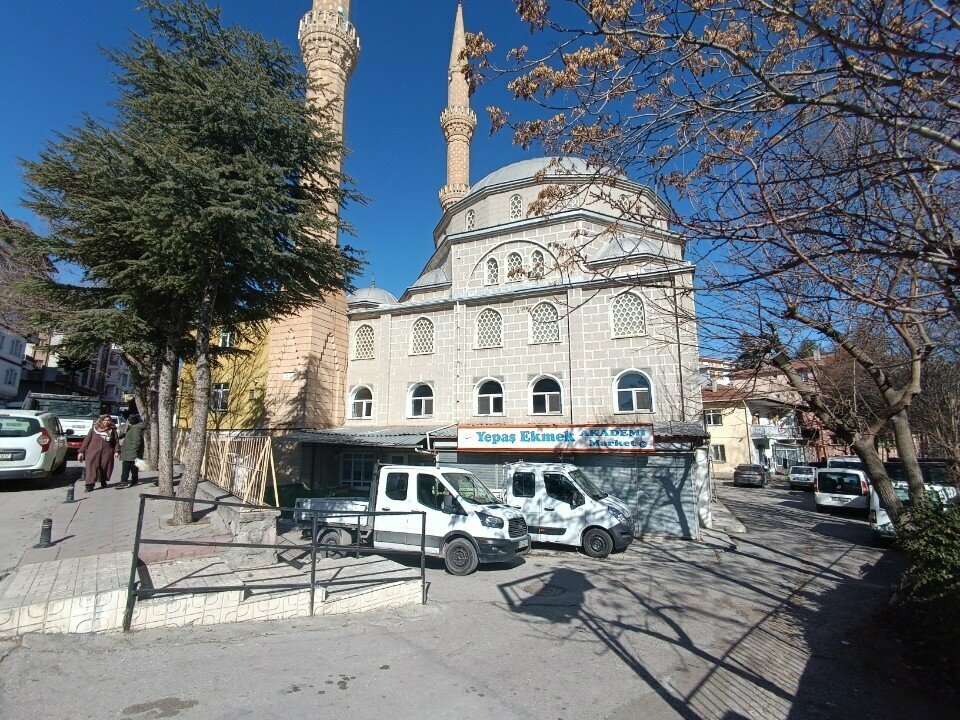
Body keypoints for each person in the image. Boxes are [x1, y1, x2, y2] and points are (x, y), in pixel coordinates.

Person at [78, 414, 119, 491]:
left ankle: (103, 480)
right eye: (105, 420)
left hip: (107, 452)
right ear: (101, 421)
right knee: (91, 467)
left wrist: (116, 451)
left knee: (105, 467)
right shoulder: (94, 429)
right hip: (93, 452)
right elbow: (87, 440)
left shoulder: (112, 430)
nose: (106, 422)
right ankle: (89, 485)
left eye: (108, 420)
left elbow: (116, 441)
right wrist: (81, 451)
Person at [115, 413, 145, 489]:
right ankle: (134, 481)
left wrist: (133, 452)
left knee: (126, 467)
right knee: (134, 467)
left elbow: (136, 441)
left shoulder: (135, 429)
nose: (127, 422)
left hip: (131, 452)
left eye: (129, 420)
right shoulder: (134, 428)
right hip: (130, 451)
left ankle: (124, 482)